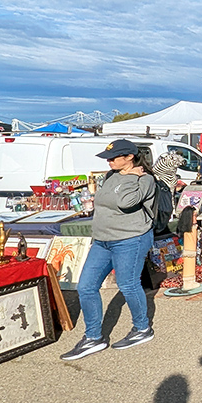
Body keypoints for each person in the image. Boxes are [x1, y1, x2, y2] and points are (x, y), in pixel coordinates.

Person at [61, 139, 156, 360]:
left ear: (130, 157)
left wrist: (132, 176)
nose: (109, 161)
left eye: (114, 157)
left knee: (128, 285)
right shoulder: (110, 175)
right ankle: (93, 337)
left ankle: (142, 328)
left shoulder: (145, 179)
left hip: (130, 239)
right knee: (86, 286)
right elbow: (102, 203)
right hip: (103, 240)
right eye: (108, 157)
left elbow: (126, 202)